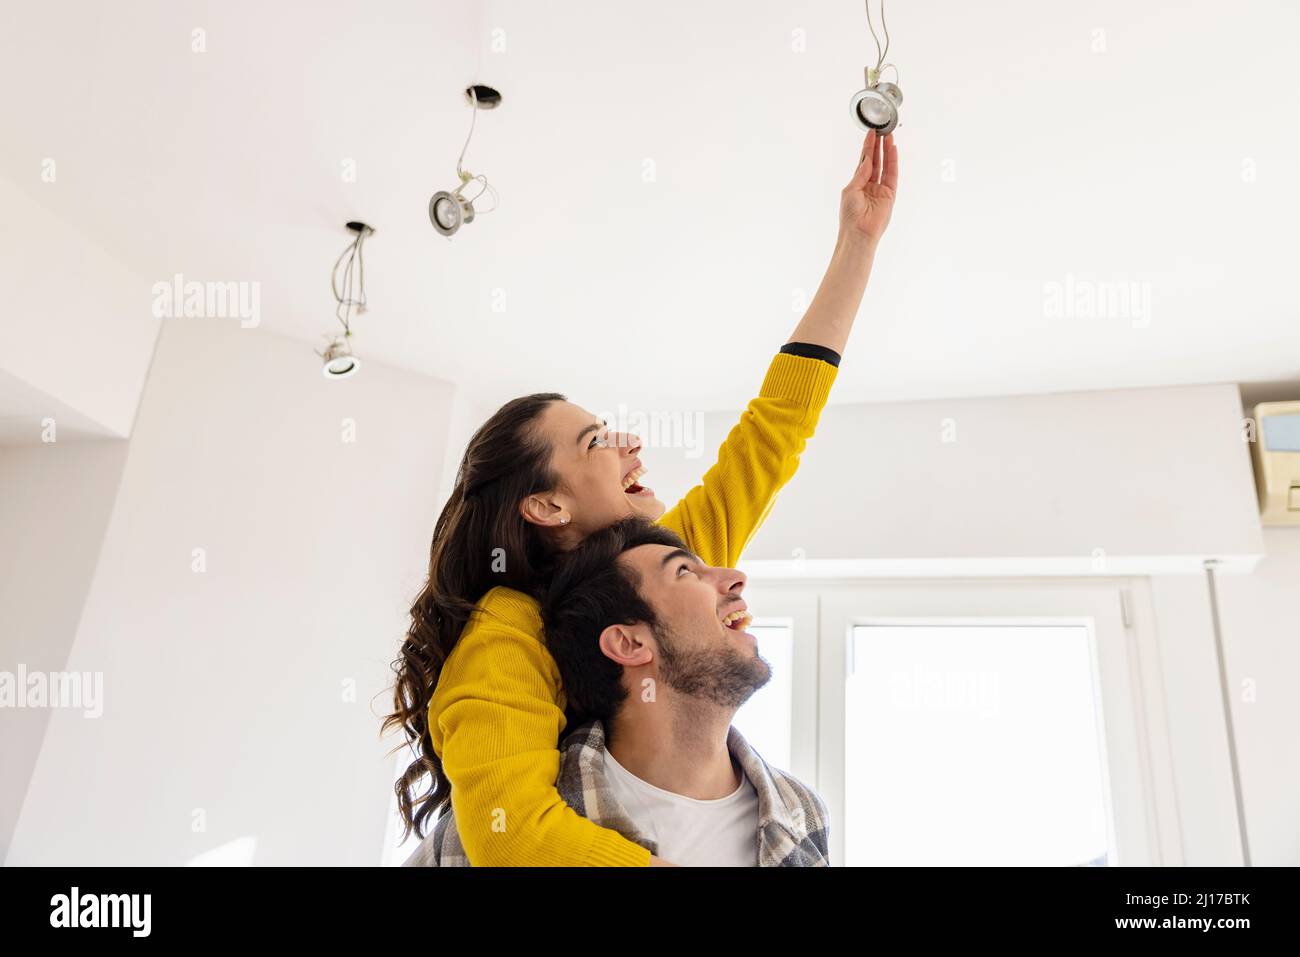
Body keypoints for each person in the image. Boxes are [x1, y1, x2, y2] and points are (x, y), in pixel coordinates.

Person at [384, 130, 898, 865]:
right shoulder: (507, 634)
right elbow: (517, 837)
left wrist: (857, 243)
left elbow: (774, 433)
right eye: (595, 441)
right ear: (548, 506)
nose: (626, 441)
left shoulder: (656, 570)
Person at [405, 518, 828, 867]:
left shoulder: (802, 814)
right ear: (628, 644)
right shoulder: (481, 836)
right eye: (685, 571)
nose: (735, 578)